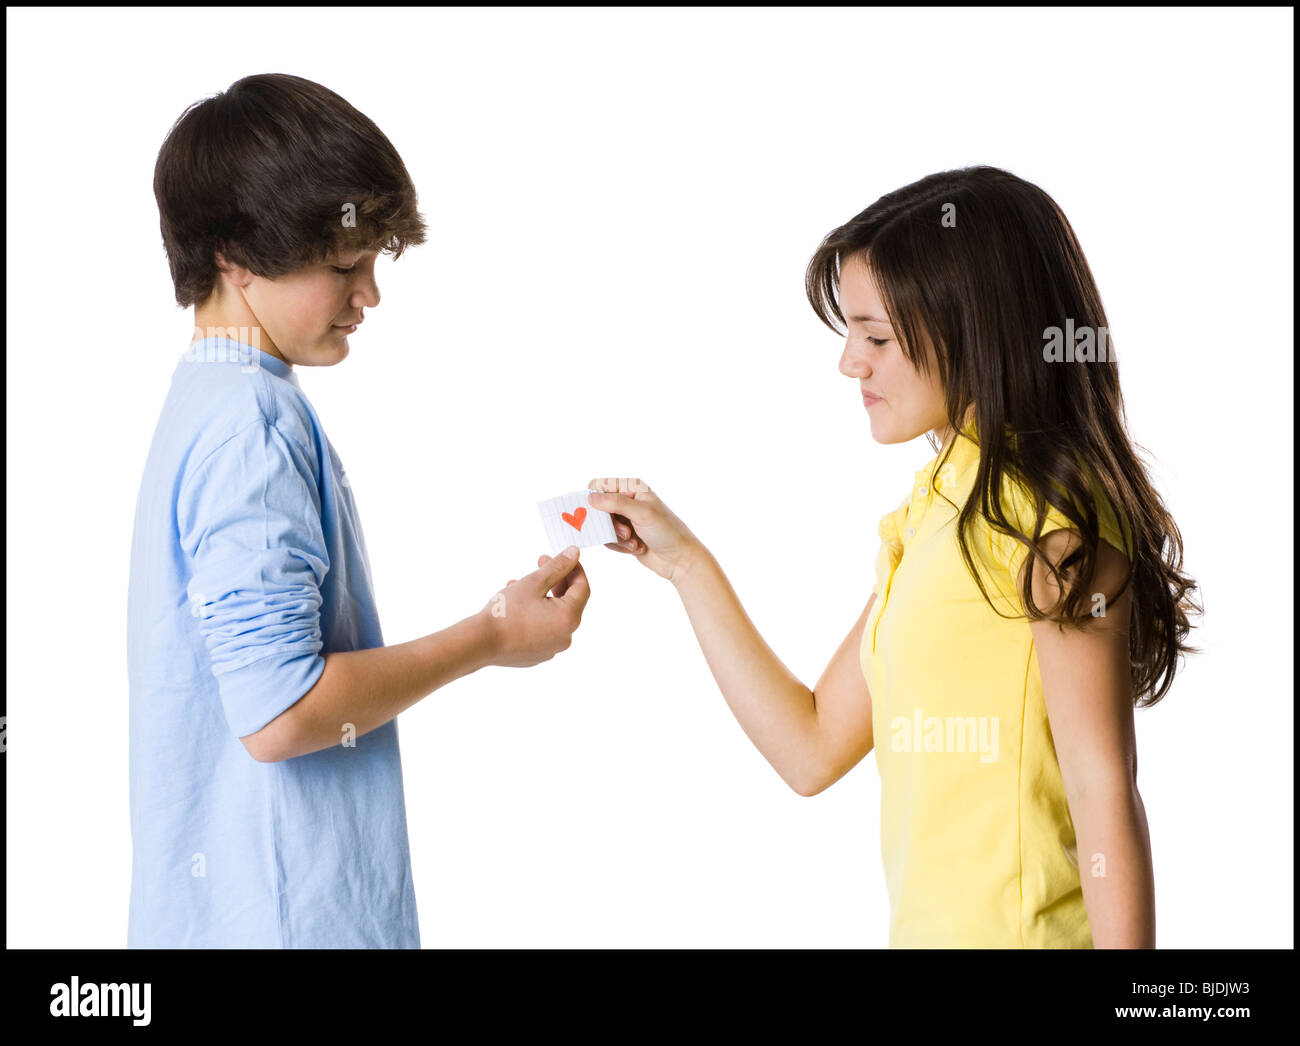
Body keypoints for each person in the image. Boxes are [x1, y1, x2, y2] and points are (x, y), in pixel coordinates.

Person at [587, 166, 1201, 948]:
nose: (850, 362)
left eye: (875, 337)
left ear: (977, 330)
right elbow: (808, 748)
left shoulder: (1043, 520)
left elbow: (1103, 788)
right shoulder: (934, 514)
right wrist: (684, 564)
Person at [127, 73, 589, 948]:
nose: (368, 295)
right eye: (344, 266)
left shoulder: (206, 401)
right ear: (233, 256)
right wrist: (492, 635)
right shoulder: (253, 425)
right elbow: (280, 714)